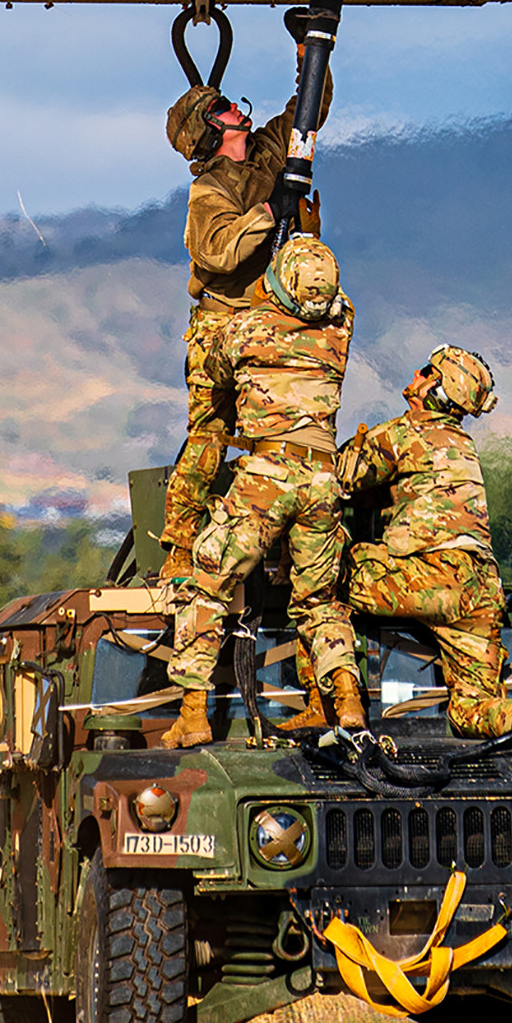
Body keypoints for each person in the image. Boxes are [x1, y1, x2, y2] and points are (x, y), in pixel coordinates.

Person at [163, 234, 363, 745]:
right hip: (323, 482)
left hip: (269, 475)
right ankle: (349, 704)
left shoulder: (247, 329)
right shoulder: (342, 328)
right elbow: (328, 299)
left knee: (208, 577)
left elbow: (216, 372)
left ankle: (191, 714)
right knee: (320, 603)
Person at [339, 347, 512, 741]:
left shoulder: (408, 432)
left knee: (323, 570)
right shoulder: (464, 446)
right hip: (481, 590)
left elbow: (341, 478)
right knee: (473, 711)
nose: (415, 374)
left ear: (437, 389)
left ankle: (329, 696)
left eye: (426, 372)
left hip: (428, 576)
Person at [157, 60, 329, 582]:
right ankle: (181, 550)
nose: (238, 109)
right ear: (212, 127)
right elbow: (218, 252)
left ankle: (275, 558)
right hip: (223, 329)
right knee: (209, 438)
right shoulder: (210, 190)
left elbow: (310, 113)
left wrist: (309, 57)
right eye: (224, 108)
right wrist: (271, 211)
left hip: (270, 326)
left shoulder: (267, 154)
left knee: (276, 443)